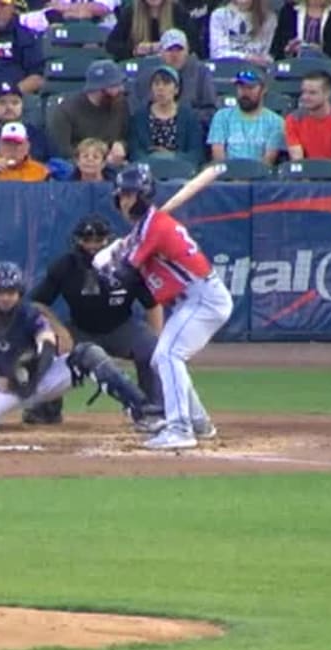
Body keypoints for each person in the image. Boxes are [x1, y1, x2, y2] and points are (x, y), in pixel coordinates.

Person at [94, 163, 232, 449]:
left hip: (203, 298)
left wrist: (108, 261)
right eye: (122, 196)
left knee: (168, 355)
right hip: (194, 299)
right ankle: (199, 422)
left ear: (144, 195)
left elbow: (125, 276)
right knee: (165, 356)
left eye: (131, 196)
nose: (125, 202)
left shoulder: (153, 228)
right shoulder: (147, 228)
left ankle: (181, 429)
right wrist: (116, 250)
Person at [0, 260, 162, 431]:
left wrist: (35, 369)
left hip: (43, 377)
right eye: (0, 292)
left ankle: (143, 409)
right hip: (6, 386)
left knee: (88, 354)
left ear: (19, 293)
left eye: (11, 292)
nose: (5, 298)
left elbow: (47, 339)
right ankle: (30, 408)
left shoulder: (30, 314)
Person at [24, 214, 166, 428]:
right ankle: (46, 409)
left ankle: (151, 410)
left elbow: (153, 304)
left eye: (98, 239)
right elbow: (36, 303)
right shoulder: (65, 266)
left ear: (108, 240)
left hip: (121, 327)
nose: (92, 245)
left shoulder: (128, 265)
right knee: (47, 345)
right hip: (80, 329)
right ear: (77, 240)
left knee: (151, 350)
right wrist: (59, 329)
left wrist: (158, 342)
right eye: (86, 239)